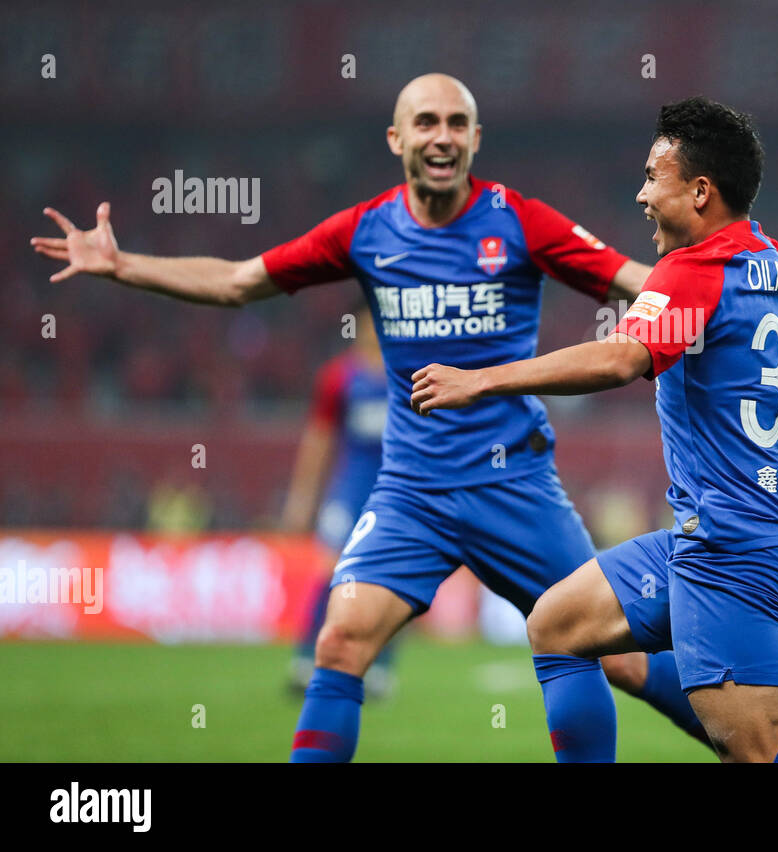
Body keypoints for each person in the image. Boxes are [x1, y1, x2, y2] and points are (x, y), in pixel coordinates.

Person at [30, 73, 710, 762]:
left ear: (475, 139)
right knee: (340, 638)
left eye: (454, 123)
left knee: (609, 653)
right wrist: (122, 266)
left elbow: (637, 280)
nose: (440, 135)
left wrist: (748, 286)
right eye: (425, 122)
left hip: (514, 484)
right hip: (410, 491)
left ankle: (748, 744)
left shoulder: (520, 220)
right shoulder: (365, 230)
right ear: (397, 138)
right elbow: (239, 281)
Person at [410, 96, 778, 762]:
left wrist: (481, 378)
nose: (642, 194)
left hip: (732, 548)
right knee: (558, 625)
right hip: (719, 533)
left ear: (700, 191)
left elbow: (621, 357)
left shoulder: (695, 271)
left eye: (653, 177)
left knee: (761, 753)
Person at [281, 304, 394, 698]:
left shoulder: (409, 374)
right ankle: (304, 659)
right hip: (350, 490)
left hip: (397, 492)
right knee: (333, 574)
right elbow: (319, 439)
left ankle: (378, 667)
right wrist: (302, 499)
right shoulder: (338, 377)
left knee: (390, 581)